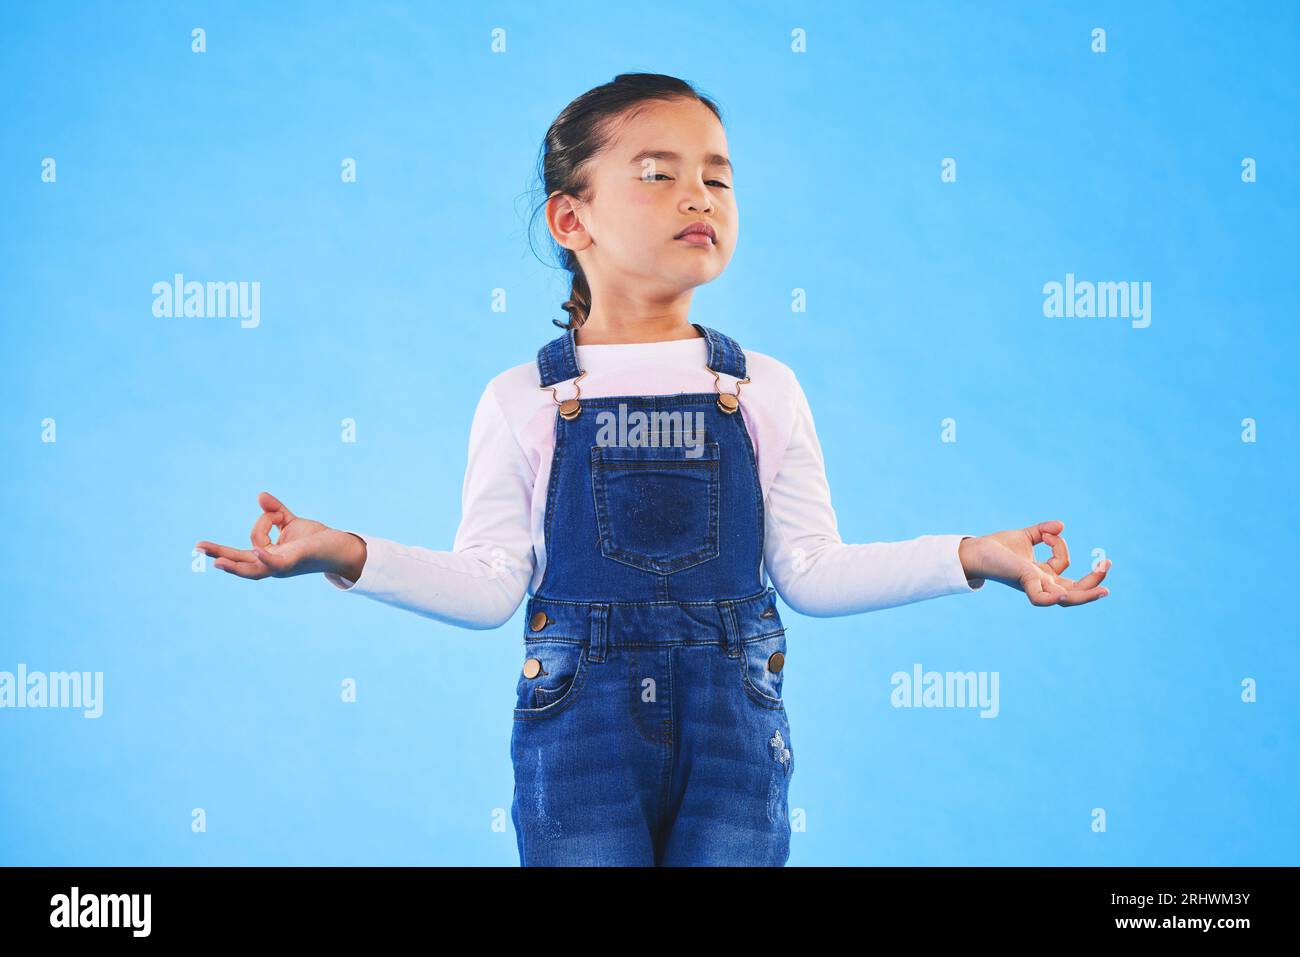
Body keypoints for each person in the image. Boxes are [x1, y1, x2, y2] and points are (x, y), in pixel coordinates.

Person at [195, 73, 1111, 866]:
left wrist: (972, 555)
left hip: (736, 730)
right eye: (657, 174)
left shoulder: (763, 388)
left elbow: (812, 575)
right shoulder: (523, 398)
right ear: (572, 217)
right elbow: (486, 589)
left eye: (718, 176)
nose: (698, 196)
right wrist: (344, 551)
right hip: (579, 728)